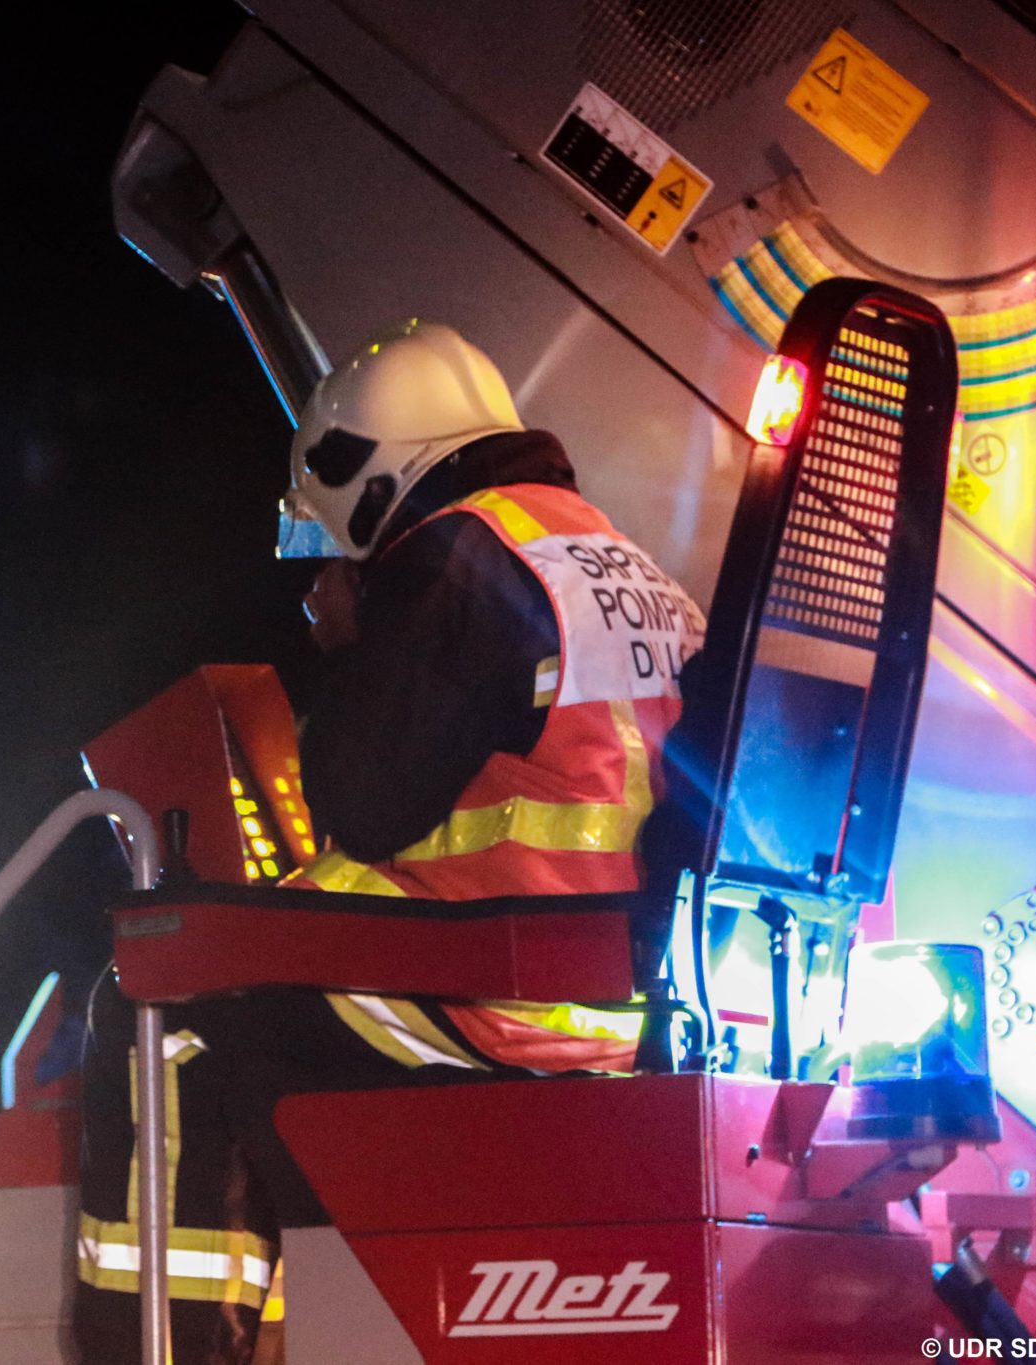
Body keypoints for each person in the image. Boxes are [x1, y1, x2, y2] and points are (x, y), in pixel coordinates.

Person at [73, 320, 705, 1363]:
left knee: (162, 996)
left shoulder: (458, 553)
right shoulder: (598, 548)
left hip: (498, 998)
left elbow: (362, 801)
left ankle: (161, 1348)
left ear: (368, 474)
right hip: (611, 996)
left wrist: (354, 638)